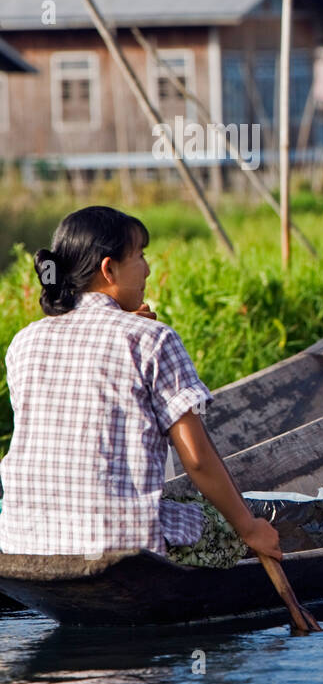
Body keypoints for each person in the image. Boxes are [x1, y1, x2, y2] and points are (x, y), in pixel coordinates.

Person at [0, 206, 280, 566]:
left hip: (24, 543)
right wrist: (249, 528)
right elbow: (196, 461)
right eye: (140, 256)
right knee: (225, 524)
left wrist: (125, 326)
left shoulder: (25, 342)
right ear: (109, 268)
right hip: (121, 547)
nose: (148, 269)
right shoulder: (153, 339)